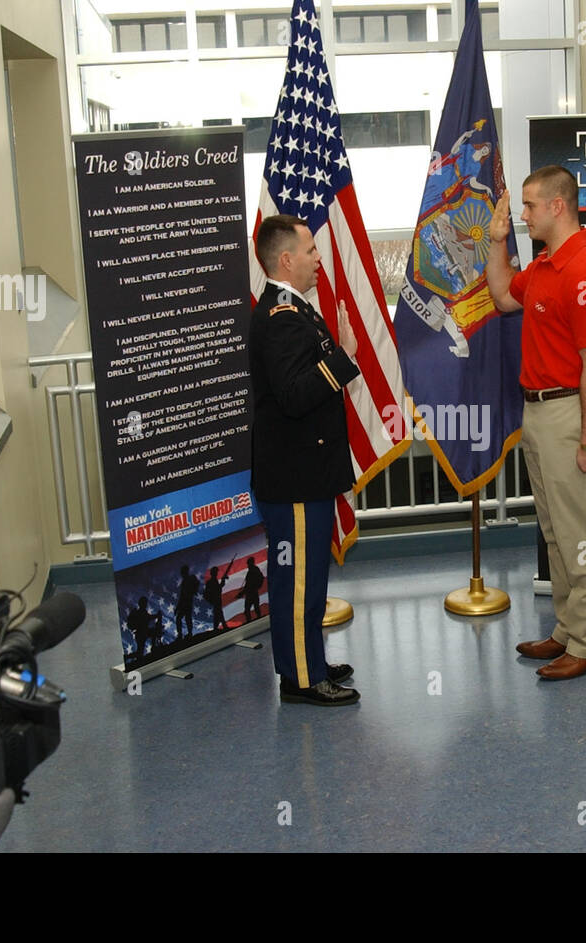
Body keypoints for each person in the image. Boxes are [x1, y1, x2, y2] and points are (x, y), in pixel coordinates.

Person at [485, 165, 586, 681]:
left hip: (569, 413)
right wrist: (498, 243)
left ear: (557, 206)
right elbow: (501, 298)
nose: (522, 216)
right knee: (557, 533)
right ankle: (568, 630)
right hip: (538, 411)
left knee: (581, 533)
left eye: (529, 207)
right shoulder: (546, 266)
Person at [249, 214, 360, 706]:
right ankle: (301, 679)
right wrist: (343, 359)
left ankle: (309, 658)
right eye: (312, 250)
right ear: (287, 259)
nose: (319, 259)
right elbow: (294, 396)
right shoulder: (279, 318)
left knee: (311, 577)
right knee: (297, 583)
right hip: (293, 478)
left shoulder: (294, 309)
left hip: (305, 473)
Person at [173, 565, 199, 639]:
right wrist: (177, 607)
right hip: (184, 602)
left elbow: (196, 583)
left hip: (188, 601)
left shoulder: (191, 578)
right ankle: (181, 634)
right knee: (180, 618)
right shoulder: (184, 581)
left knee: (187, 618)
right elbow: (181, 595)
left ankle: (189, 633)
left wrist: (193, 591)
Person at [242, 556, 265, 623]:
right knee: (252, 608)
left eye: (248, 563)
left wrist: (257, 586)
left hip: (252, 592)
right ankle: (252, 621)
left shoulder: (254, 570)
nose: (248, 565)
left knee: (251, 608)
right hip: (250, 592)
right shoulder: (252, 570)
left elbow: (260, 579)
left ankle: (256, 621)